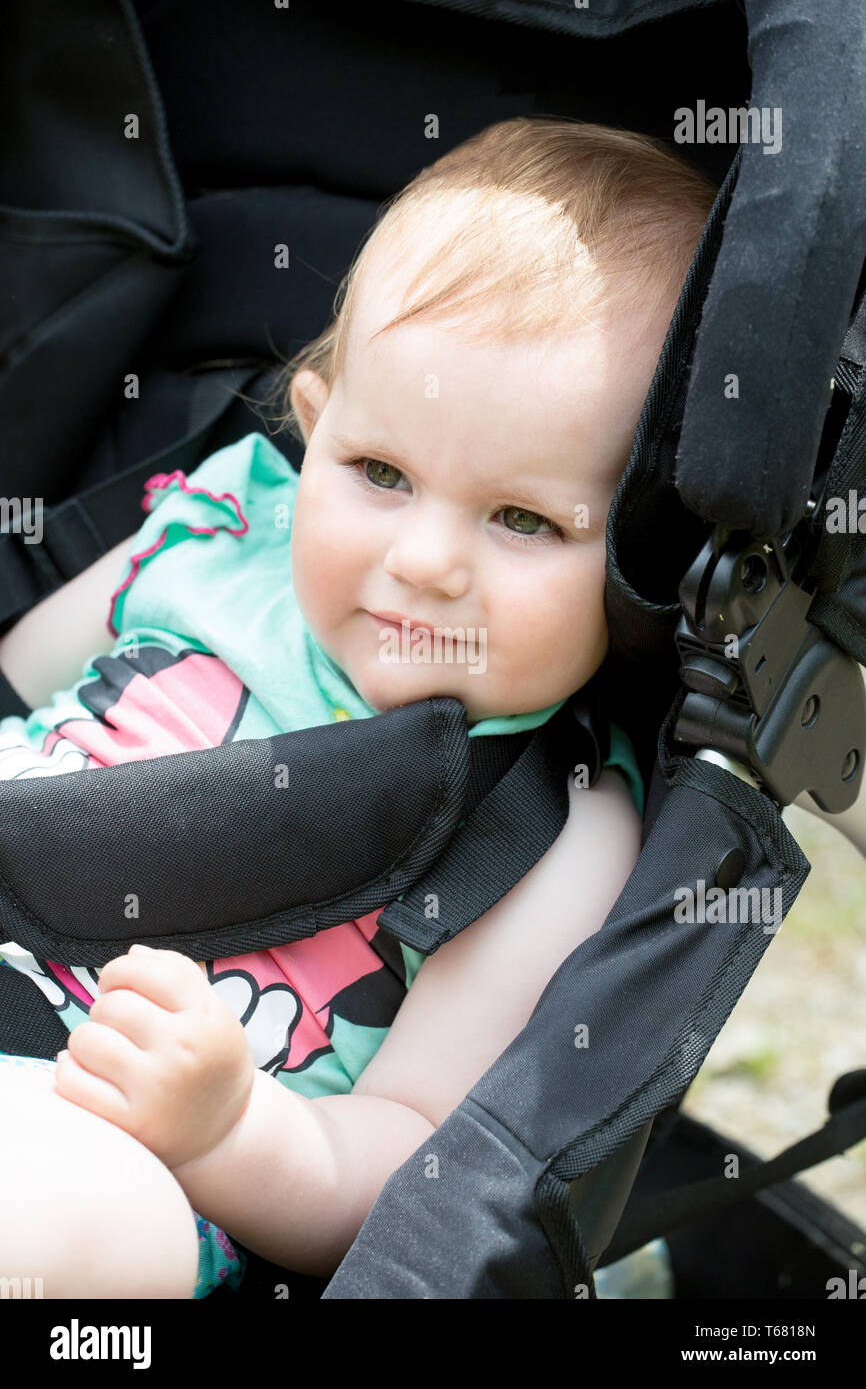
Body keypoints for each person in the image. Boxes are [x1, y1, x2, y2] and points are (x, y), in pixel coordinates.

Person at [0, 116, 719, 1298]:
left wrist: (230, 1130)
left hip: (138, 1158)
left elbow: (412, 1169)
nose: (426, 560)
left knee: (67, 1209)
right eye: (380, 474)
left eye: (523, 519)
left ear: (640, 560)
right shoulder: (222, 520)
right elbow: (22, 674)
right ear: (314, 421)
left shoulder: (555, 822)